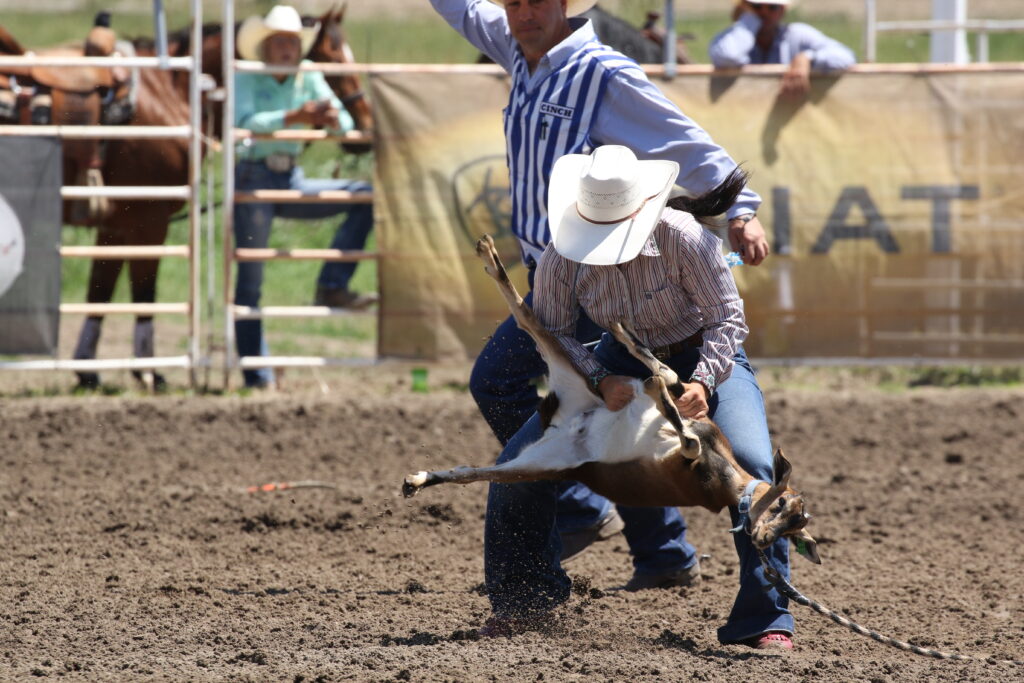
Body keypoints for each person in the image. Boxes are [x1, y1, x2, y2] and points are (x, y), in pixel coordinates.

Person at [428, 0, 779, 637]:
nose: (522, 12)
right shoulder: (519, 49)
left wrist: (739, 209)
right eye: (513, 1)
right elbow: (463, 10)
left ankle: (598, 508)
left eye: (537, 0)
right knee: (541, 401)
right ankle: (646, 543)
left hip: (603, 283)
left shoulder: (603, 73)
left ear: (566, 6)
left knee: (529, 400)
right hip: (566, 275)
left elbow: (679, 138)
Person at [489, 144, 794, 650]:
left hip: (703, 356)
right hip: (620, 358)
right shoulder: (563, 253)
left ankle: (765, 619)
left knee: (756, 467)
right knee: (519, 464)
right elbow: (555, 331)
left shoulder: (686, 238)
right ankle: (524, 604)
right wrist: (595, 376)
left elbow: (726, 318)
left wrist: (702, 381)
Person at [233, 4, 376, 389]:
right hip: (253, 178)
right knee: (250, 280)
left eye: (292, 42)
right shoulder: (247, 75)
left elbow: (344, 124)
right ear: (265, 47)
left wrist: (330, 121)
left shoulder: (309, 75)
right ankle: (256, 375)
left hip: (288, 177)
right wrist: (295, 117)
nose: (287, 49)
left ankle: (333, 281)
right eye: (280, 41)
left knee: (366, 198)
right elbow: (243, 122)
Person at [709, 1, 855, 98]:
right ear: (746, 7)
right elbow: (727, 56)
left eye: (772, 7)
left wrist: (808, 58)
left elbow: (846, 57)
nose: (764, 12)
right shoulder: (732, 37)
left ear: (782, 10)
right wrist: (748, 23)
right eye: (757, 6)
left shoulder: (798, 34)